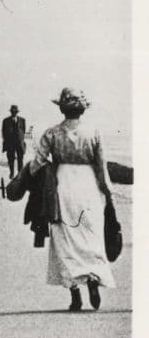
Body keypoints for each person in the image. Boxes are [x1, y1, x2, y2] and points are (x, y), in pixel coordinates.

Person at [28, 87, 114, 311]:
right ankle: (93, 278)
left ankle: (75, 293)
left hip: (62, 186)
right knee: (90, 235)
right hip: (88, 187)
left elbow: (37, 162)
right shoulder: (94, 132)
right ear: (82, 110)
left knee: (65, 238)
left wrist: (27, 178)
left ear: (62, 110)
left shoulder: (52, 133)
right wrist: (108, 193)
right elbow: (101, 167)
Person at [2, 104, 27, 177]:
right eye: (13, 111)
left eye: (15, 112)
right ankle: (12, 172)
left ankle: (20, 173)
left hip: (19, 142)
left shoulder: (22, 120)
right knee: (10, 158)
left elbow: (23, 131)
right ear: (11, 112)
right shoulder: (6, 121)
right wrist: (6, 141)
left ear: (17, 112)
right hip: (10, 143)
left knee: (20, 158)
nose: (14, 113)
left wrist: (21, 139)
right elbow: (4, 132)